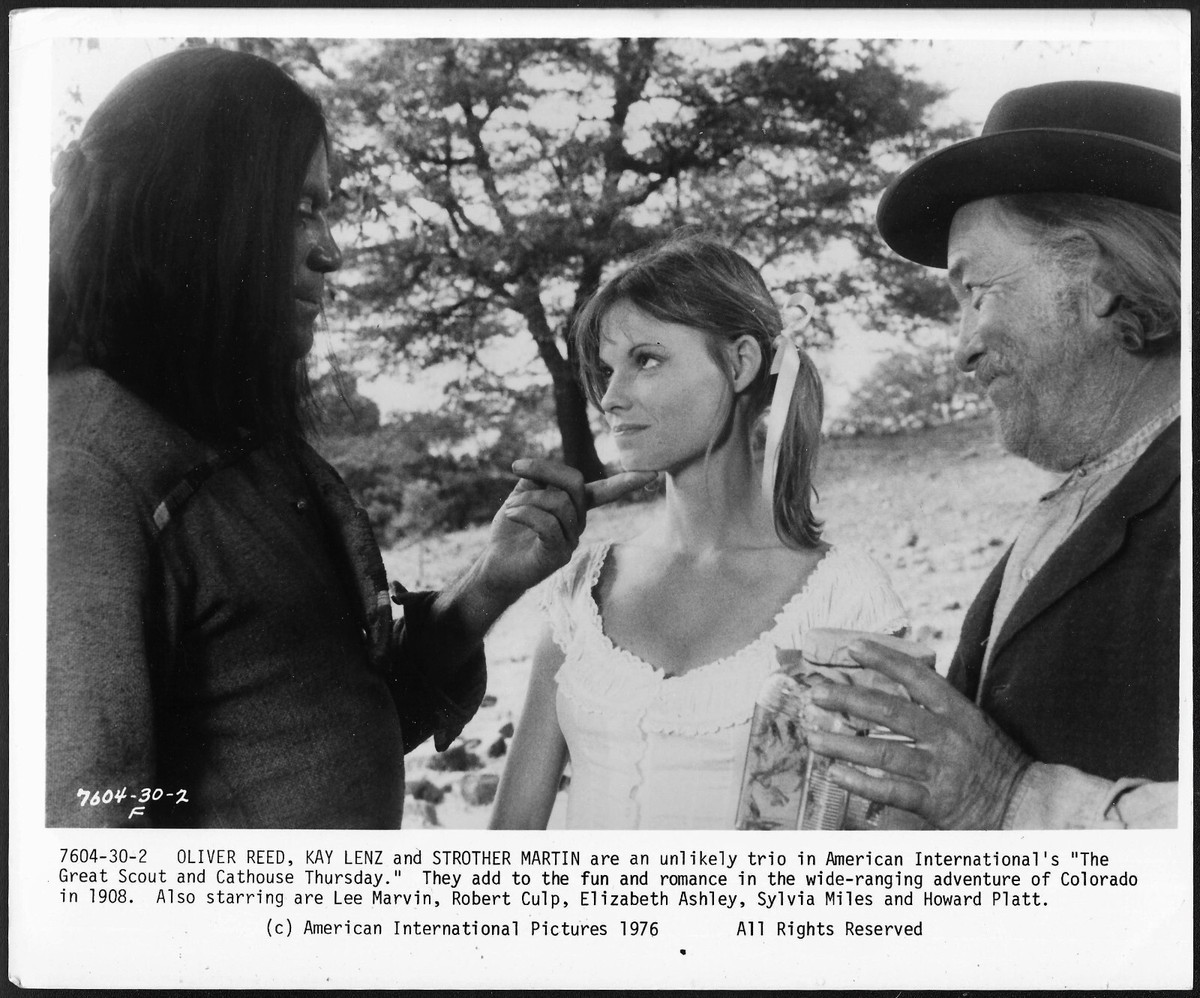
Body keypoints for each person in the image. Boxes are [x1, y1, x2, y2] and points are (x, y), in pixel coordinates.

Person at [46, 47, 652, 829]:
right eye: (300, 208)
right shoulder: (86, 477)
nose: (330, 250)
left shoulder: (238, 443)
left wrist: (489, 585)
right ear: (194, 210)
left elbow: (322, 723)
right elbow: (86, 845)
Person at [805, 81, 1181, 829]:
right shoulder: (1093, 493)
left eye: (976, 290)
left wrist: (1005, 798)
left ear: (1094, 277)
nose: (962, 349)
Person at [489, 236, 907, 829]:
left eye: (646, 360)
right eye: (608, 370)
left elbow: (875, 861)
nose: (610, 396)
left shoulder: (842, 597)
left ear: (738, 364)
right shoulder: (583, 585)